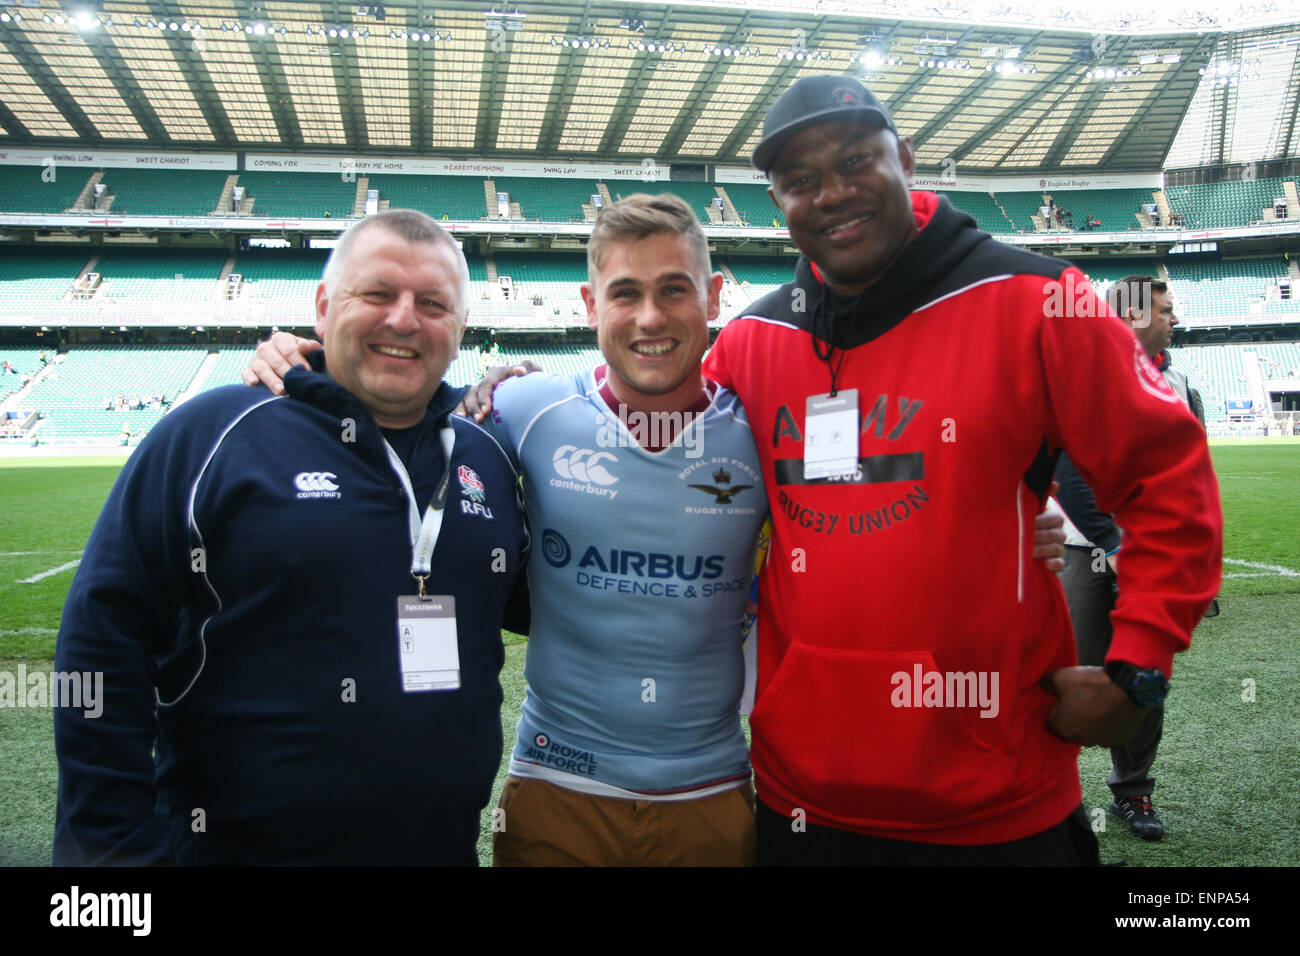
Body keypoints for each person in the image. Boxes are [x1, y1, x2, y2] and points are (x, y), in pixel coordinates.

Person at [244, 196, 1070, 866]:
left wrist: (1028, 519)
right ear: (589, 304)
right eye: (626, 293)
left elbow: (890, 506)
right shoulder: (525, 411)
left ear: (713, 298)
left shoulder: (763, 430)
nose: (650, 317)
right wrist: (307, 364)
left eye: (675, 289)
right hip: (556, 791)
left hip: (711, 799)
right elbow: (406, 408)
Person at [701, 74, 1222, 865]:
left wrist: (1138, 667)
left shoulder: (1043, 302)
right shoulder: (753, 341)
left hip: (997, 806)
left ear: (905, 159)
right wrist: (509, 392)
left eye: (854, 161)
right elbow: (665, 440)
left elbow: (1169, 480)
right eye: (801, 181)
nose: (833, 193)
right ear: (778, 201)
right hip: (803, 800)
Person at [53, 210, 528, 866]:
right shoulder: (213, 434)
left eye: (432, 303)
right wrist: (112, 851)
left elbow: (550, 600)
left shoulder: (487, 457)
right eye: (377, 294)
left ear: (462, 329)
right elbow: (100, 643)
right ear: (323, 307)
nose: (403, 319)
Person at [1055, 276, 1215, 841]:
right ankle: (1054, 796)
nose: (1175, 318)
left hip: (1149, 557)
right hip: (1083, 551)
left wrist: (1187, 557)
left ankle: (1133, 789)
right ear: (1129, 314)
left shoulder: (1180, 376)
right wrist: (1111, 542)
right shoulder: (1082, 370)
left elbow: (1192, 466)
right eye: (1166, 310)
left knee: (1145, 675)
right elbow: (1065, 467)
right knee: (1070, 670)